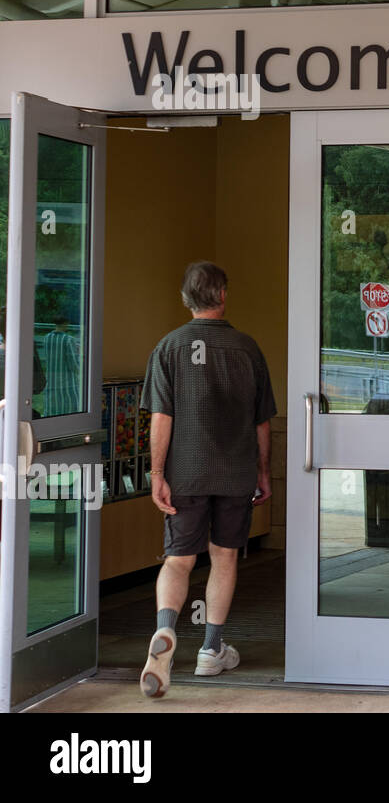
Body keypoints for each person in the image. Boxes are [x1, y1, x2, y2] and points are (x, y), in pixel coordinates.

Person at [139, 261, 275, 698]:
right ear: (223, 296)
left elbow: (162, 418)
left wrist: (157, 473)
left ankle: (165, 631)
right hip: (234, 474)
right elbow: (262, 423)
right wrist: (263, 472)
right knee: (224, 558)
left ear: (185, 299)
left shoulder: (168, 348)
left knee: (178, 560)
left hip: (186, 473)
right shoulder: (247, 349)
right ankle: (210, 650)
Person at [44, 316, 81, 417]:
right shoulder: (69, 340)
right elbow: (72, 363)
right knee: (69, 407)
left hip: (52, 379)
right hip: (67, 380)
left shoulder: (47, 337)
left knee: (53, 407)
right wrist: (79, 371)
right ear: (66, 323)